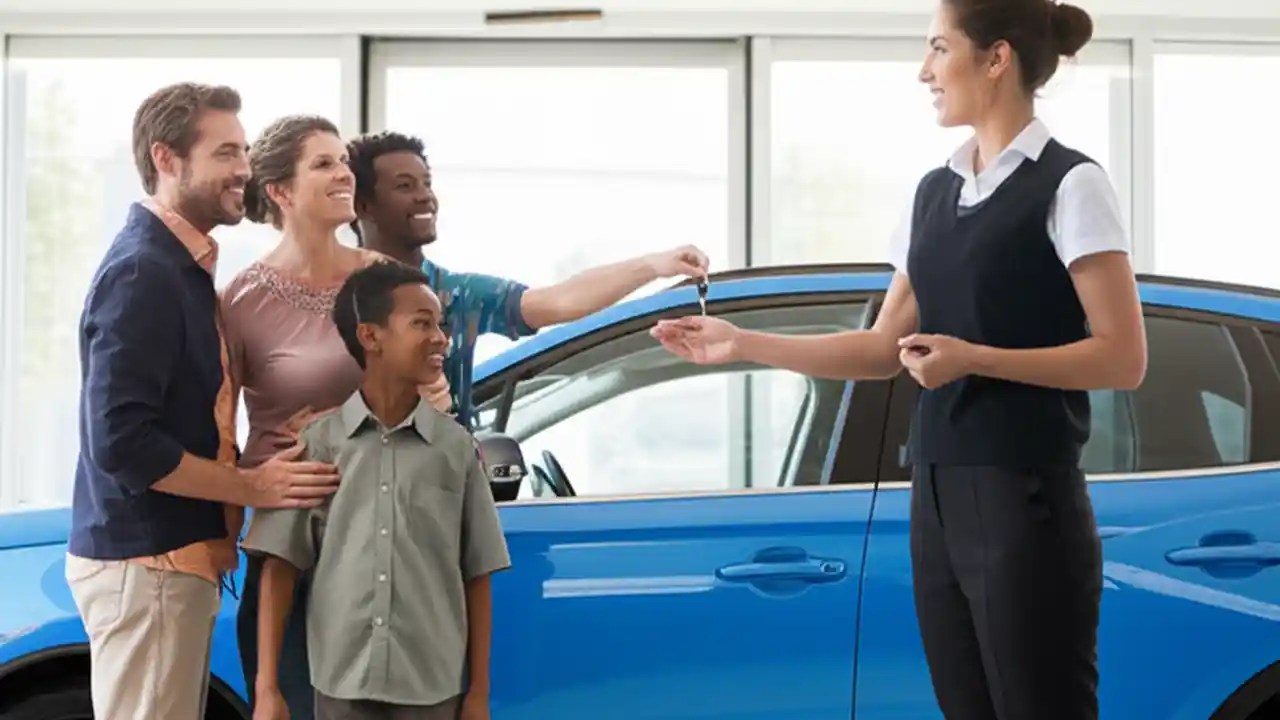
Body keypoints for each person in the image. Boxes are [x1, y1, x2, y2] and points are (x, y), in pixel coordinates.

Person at [652, 1, 1146, 718]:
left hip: (1025, 499)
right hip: (936, 495)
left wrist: (974, 358)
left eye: (939, 49)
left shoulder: (1071, 184)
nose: (924, 72)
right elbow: (883, 349)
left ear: (996, 57)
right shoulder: (932, 194)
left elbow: (1122, 357)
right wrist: (743, 344)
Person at [66, 83, 340, 720]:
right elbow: (121, 444)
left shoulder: (178, 266)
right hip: (150, 563)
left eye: (244, 151)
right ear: (167, 160)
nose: (243, 168)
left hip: (167, 563)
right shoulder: (144, 271)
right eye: (224, 153)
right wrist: (252, 487)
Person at [244, 260, 510, 720]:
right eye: (421, 324)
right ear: (371, 337)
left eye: (440, 325)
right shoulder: (318, 445)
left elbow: (477, 573)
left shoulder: (455, 450)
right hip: (339, 681)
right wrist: (267, 688)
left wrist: (478, 694)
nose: (440, 338)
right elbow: (280, 567)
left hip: (433, 687)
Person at [346, 130, 712, 428]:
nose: (425, 196)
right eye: (405, 186)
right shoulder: (331, 298)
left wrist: (653, 265)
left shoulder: (455, 294)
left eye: (427, 183)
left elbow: (558, 301)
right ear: (363, 206)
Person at [220, 114, 385, 718]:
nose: (345, 172)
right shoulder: (240, 299)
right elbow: (216, 430)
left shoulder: (387, 284)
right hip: (286, 552)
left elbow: (428, 400)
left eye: (344, 160)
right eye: (323, 163)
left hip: (382, 541)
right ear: (281, 192)